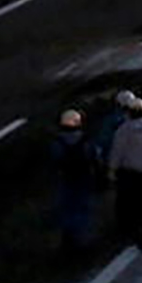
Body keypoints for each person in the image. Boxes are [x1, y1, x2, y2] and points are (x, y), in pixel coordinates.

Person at [106, 96, 142, 252]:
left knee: (126, 204)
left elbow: (117, 151)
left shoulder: (124, 129)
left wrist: (111, 170)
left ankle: (128, 234)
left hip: (129, 174)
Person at [51, 109, 96, 257]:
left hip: (65, 179)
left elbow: (54, 160)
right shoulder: (85, 140)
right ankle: (83, 241)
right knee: (83, 209)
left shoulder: (58, 141)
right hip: (83, 179)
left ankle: (68, 240)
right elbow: (93, 157)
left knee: (66, 208)